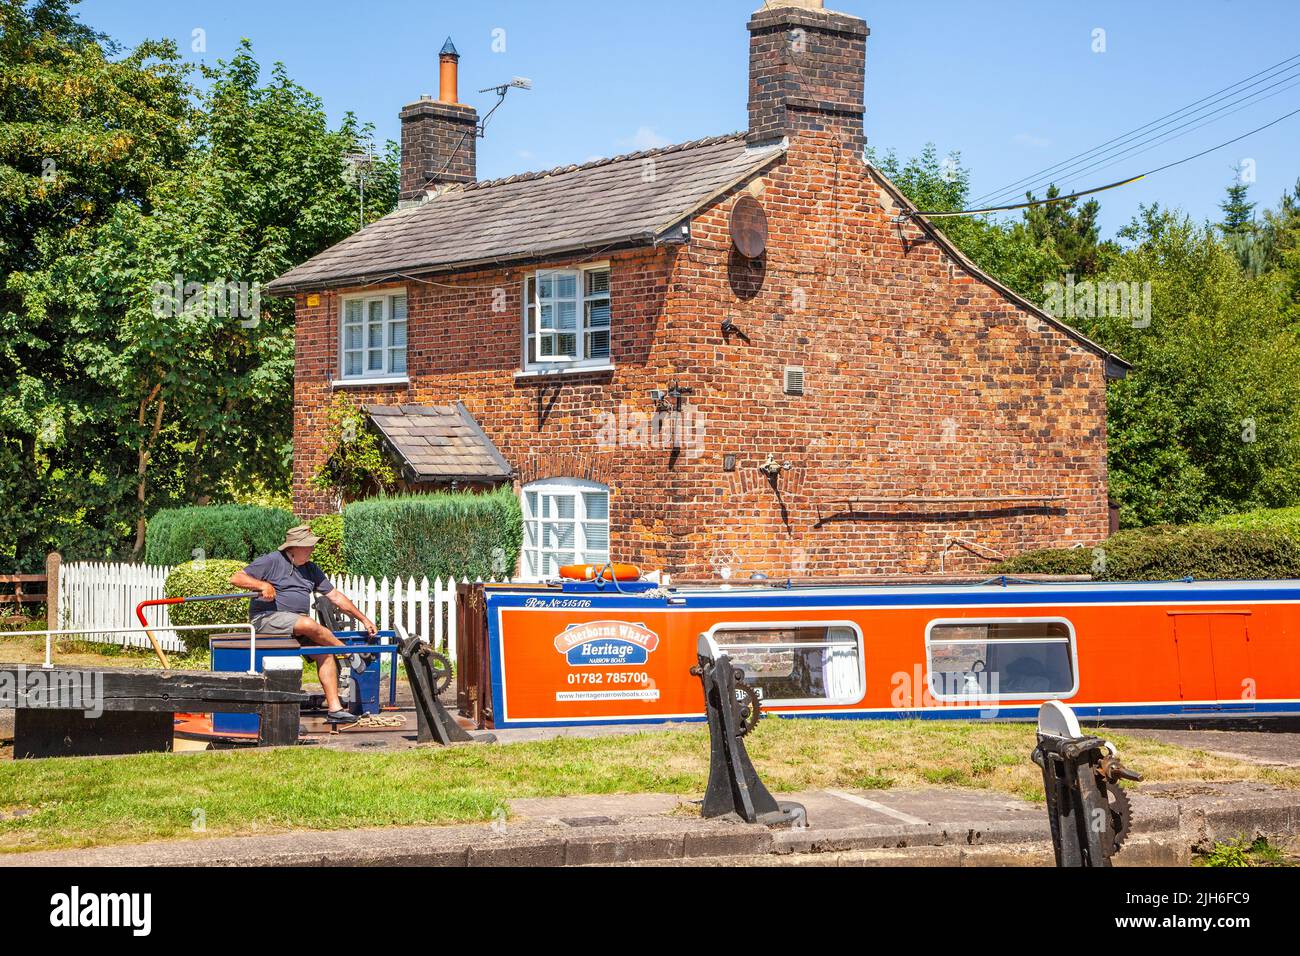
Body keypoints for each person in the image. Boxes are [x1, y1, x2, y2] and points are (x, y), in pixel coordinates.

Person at [230, 524, 377, 724]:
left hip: (297, 624)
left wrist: (364, 619)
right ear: (293, 548)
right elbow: (236, 577)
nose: (313, 549)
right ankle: (349, 653)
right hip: (267, 618)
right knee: (309, 624)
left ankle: (335, 709)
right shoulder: (271, 561)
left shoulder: (311, 569)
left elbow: (336, 597)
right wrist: (262, 585)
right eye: (308, 546)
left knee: (324, 652)